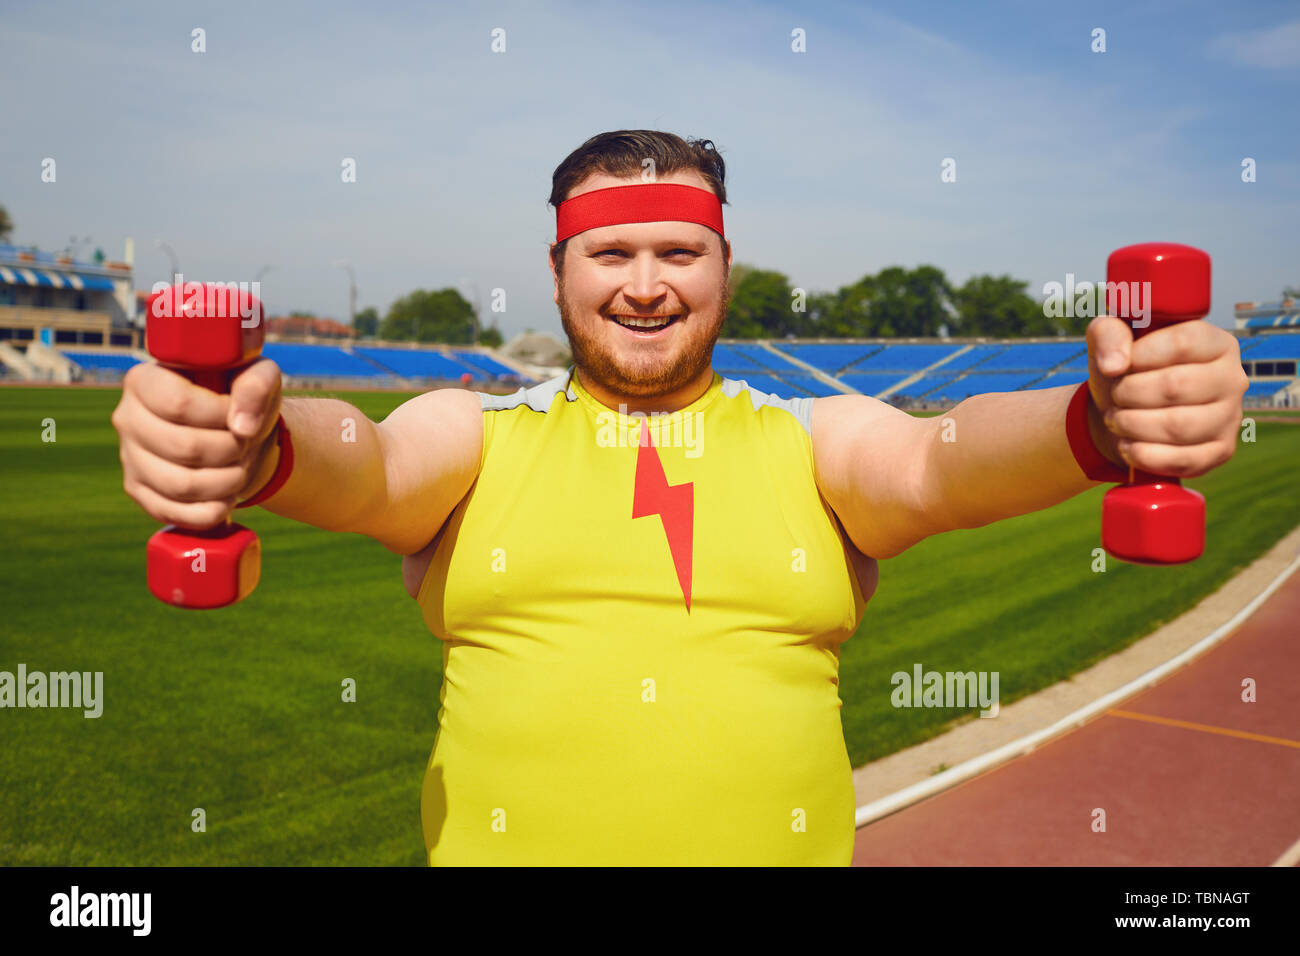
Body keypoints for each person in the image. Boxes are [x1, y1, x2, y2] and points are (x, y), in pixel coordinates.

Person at [112, 130, 1248, 865]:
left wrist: (1097, 427)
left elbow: (935, 462)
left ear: (724, 267)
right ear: (557, 272)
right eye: (609, 254)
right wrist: (249, 445)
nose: (646, 285)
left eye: (678, 252)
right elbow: (368, 460)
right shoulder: (478, 436)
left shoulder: (810, 441)